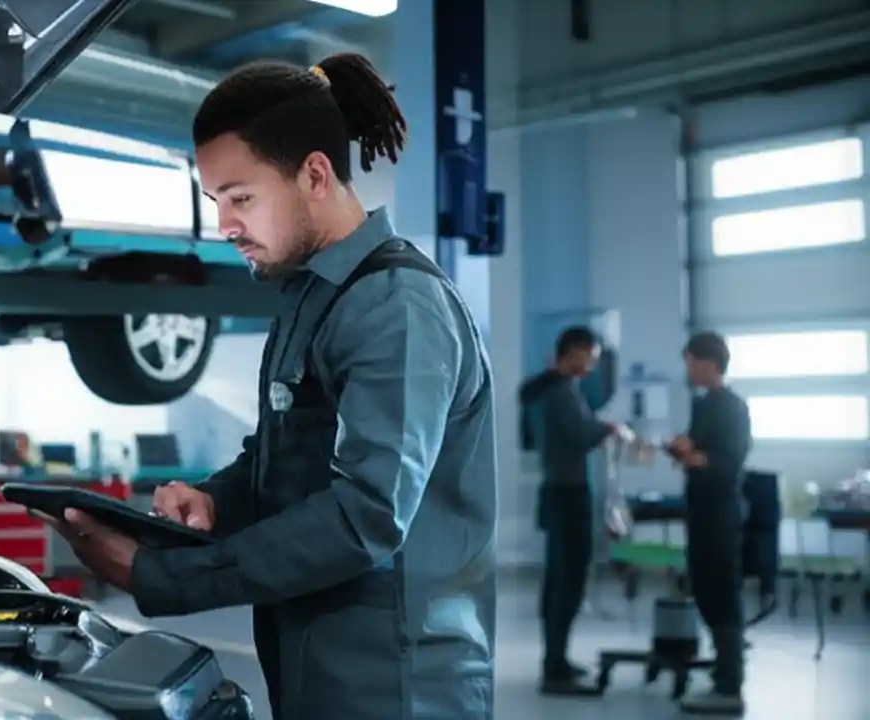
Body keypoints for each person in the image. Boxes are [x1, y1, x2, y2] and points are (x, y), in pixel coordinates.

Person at [38, 52, 497, 719]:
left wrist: (161, 575)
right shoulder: (314, 297)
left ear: (314, 175)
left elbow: (367, 515)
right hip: (322, 666)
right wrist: (215, 501)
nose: (225, 225)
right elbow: (285, 459)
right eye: (216, 202)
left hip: (399, 687)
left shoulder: (395, 308)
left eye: (241, 198)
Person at [531, 326, 631, 694]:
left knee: (562, 579)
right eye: (590, 356)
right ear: (573, 351)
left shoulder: (560, 389)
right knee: (567, 582)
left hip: (562, 492)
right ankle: (554, 669)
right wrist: (610, 429)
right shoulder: (559, 391)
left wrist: (600, 427)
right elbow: (580, 434)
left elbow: (580, 429)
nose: (592, 365)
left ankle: (557, 659)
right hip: (566, 496)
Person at [667, 331, 751, 716]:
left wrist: (697, 457)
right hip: (699, 511)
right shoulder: (703, 405)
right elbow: (697, 449)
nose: (687, 369)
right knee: (704, 590)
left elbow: (729, 461)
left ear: (707, 363)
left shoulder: (733, 407)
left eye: (690, 362)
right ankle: (721, 674)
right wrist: (683, 451)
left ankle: (730, 686)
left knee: (722, 594)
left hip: (720, 513)